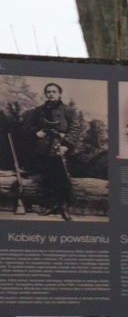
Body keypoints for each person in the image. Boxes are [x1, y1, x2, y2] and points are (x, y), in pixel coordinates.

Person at [28, 83, 77, 220]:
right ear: (45, 94)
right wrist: (36, 133)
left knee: (62, 178)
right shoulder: (39, 111)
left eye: (54, 91)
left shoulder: (68, 111)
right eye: (48, 92)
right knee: (47, 177)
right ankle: (50, 205)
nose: (51, 94)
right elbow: (29, 125)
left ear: (59, 94)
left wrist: (66, 146)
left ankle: (63, 207)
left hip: (61, 148)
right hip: (43, 149)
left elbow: (75, 129)